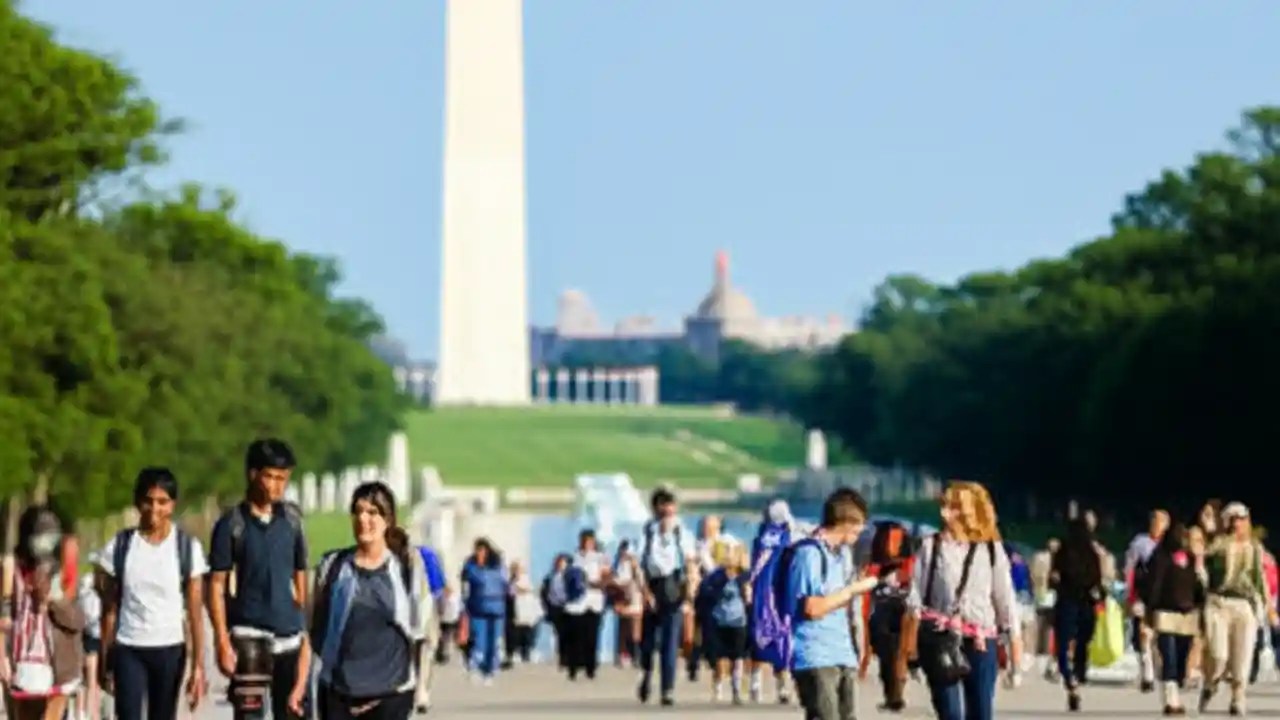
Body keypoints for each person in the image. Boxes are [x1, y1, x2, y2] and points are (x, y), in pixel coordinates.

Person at [311, 482, 433, 720]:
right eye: (358, 512)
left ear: (388, 519)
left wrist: (422, 689)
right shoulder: (333, 566)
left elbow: (423, 632)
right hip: (338, 694)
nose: (363, 519)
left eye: (372, 512)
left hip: (391, 695)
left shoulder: (406, 567)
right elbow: (313, 630)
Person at [207, 439, 310, 720]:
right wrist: (221, 641)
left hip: (288, 635)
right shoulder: (232, 525)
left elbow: (301, 570)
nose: (277, 486)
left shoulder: (292, 521)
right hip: (248, 634)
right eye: (271, 477)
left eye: (283, 478)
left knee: (292, 712)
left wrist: (304, 626)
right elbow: (215, 585)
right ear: (253, 474)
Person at [97, 468, 208, 720]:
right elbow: (110, 609)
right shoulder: (121, 546)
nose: (154, 509)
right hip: (129, 647)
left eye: (162, 502)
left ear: (173, 505)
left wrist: (198, 667)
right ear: (138, 502)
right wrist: (105, 658)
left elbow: (195, 613)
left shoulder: (186, 548)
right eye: (148, 501)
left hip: (169, 648)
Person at [905, 481, 1021, 720]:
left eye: (953, 506)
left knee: (980, 712)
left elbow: (1005, 600)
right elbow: (915, 599)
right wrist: (911, 650)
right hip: (940, 638)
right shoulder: (931, 546)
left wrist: (1015, 655)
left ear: (969, 511)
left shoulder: (990, 549)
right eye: (944, 505)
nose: (944, 512)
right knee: (951, 714)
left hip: (980, 640)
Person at [786, 488, 886, 720]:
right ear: (846, 522)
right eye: (859, 524)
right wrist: (853, 590)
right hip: (815, 654)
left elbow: (840, 600)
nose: (861, 531)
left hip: (841, 651)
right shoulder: (809, 555)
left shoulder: (842, 555)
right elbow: (812, 608)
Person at [2, 506, 85, 720]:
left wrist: (53, 599)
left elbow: (76, 621)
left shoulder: (63, 570)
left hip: (59, 663)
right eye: (39, 537)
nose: (44, 545)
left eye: (50, 537)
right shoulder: (12, 569)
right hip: (20, 661)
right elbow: (4, 618)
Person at [1199, 502, 1273, 716]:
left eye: (1241, 519)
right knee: (1218, 654)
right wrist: (1209, 531)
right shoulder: (1217, 544)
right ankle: (1211, 683)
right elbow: (1204, 562)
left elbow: (1260, 580)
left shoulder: (1255, 547)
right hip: (1218, 603)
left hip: (1244, 605)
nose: (1236, 523)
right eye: (1232, 519)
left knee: (1242, 656)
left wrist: (1269, 608)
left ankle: (1238, 697)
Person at [636, 487, 695, 706]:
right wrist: (645, 592)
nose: (668, 511)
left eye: (671, 507)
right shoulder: (647, 532)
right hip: (653, 586)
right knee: (648, 642)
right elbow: (639, 564)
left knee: (670, 643)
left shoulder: (681, 532)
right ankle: (645, 675)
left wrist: (689, 591)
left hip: (674, 588)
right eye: (663, 506)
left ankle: (667, 689)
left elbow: (690, 562)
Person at [1142, 521, 1203, 716]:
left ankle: (1176, 685)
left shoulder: (1189, 558)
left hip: (1187, 614)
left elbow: (1196, 582)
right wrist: (1150, 608)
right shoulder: (1160, 557)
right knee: (1168, 656)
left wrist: (1199, 601)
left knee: (1182, 655)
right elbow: (1153, 583)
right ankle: (1171, 699)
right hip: (1165, 613)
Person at [747, 499, 798, 704]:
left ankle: (760, 683)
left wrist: (751, 584)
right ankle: (776, 685)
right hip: (780, 591)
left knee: (763, 634)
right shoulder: (785, 533)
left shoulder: (766, 535)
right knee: (780, 637)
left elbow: (757, 565)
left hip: (769, 591)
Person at [1051, 518, 1104, 712]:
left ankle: (1068, 676)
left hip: (1066, 601)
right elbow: (1098, 581)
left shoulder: (1062, 552)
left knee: (1063, 643)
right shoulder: (1092, 554)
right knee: (1083, 640)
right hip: (1086, 603)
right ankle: (1079, 671)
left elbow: (1054, 578)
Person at [694, 543, 751, 704]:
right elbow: (705, 592)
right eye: (728, 555)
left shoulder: (745, 576)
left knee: (738, 657)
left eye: (734, 555)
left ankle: (736, 689)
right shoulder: (716, 575)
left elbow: (751, 597)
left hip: (738, 621)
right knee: (720, 658)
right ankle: (718, 687)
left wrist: (748, 596)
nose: (730, 559)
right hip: (719, 620)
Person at [1125, 508, 1170, 694]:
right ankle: (1148, 674)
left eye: (1160, 521)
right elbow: (1130, 568)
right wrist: (1129, 594)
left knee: (1161, 637)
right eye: (1154, 520)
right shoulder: (1140, 543)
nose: (1156, 524)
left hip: (1165, 598)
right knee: (1144, 635)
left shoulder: (1171, 545)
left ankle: (1162, 668)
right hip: (1143, 596)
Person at [562, 530, 609, 681]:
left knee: (592, 636)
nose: (586, 544)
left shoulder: (600, 558)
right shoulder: (574, 558)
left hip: (594, 601)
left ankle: (591, 667)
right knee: (575, 636)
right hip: (576, 602)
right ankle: (573, 667)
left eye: (589, 541)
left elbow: (606, 578)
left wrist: (593, 583)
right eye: (584, 541)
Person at [460, 539, 507, 684]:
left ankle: (490, 669)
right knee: (479, 639)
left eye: (482, 550)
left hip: (496, 608)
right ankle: (477, 667)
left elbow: (504, 585)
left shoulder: (497, 566)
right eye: (477, 550)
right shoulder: (470, 567)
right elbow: (465, 588)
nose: (480, 553)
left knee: (493, 641)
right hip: (477, 608)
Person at [1028, 537, 1060, 681]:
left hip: (1040, 594)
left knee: (1040, 623)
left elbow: (1032, 575)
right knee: (1050, 625)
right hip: (1051, 595)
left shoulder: (1038, 557)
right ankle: (1046, 650)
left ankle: (1038, 649)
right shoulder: (1057, 560)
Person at [610, 541, 644, 668]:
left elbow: (641, 582)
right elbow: (617, 580)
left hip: (635, 600)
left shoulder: (636, 567)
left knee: (635, 629)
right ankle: (623, 655)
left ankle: (636, 655)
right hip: (623, 601)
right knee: (623, 628)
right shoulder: (618, 565)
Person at [76, 572, 103, 720]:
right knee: (92, 680)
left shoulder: (81, 595)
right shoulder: (96, 596)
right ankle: (92, 714)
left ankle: (80, 714)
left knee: (81, 679)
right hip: (93, 637)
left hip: (81, 635)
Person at [506, 561, 541, 665]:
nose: (516, 571)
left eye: (518, 569)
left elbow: (529, 590)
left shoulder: (526, 579)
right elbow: (510, 592)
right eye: (514, 569)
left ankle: (526, 653)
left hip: (527, 611)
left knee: (527, 633)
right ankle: (516, 653)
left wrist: (520, 590)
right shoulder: (510, 581)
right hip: (515, 611)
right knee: (517, 633)